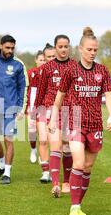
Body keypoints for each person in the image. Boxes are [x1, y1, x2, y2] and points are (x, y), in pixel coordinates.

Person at [49, 27, 111, 215]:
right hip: (75, 121)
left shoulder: (102, 71)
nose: (92, 53)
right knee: (78, 163)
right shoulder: (70, 70)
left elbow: (109, 94)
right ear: (80, 49)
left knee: (87, 166)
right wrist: (53, 117)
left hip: (95, 124)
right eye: (89, 50)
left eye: (95, 50)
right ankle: (74, 207)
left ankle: (79, 203)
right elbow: (59, 97)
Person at [0, 35, 27, 185]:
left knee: (8, 139)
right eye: (7, 47)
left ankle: (7, 173)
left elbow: (23, 88)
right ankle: (1, 165)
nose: (10, 51)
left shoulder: (18, 65)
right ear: (1, 46)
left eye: (12, 48)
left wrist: (21, 108)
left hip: (11, 108)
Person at [36, 35, 76, 197]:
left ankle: (66, 181)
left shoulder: (75, 66)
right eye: (60, 46)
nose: (63, 49)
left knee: (67, 148)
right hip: (51, 111)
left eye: (66, 46)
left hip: (71, 111)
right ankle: (55, 184)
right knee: (55, 145)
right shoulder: (47, 67)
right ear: (55, 47)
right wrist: (36, 111)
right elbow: (41, 90)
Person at [26, 43, 56, 183]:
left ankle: (64, 175)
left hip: (60, 109)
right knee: (43, 139)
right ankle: (45, 172)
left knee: (59, 143)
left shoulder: (66, 70)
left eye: (53, 56)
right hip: (43, 108)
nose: (51, 59)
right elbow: (35, 92)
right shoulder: (39, 72)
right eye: (48, 57)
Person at [25, 50, 46, 165]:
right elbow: (26, 90)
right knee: (32, 131)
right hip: (32, 107)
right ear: (36, 60)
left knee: (43, 132)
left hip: (44, 107)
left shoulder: (49, 73)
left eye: (44, 60)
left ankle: (43, 153)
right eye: (41, 60)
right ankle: (33, 150)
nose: (43, 62)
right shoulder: (30, 72)